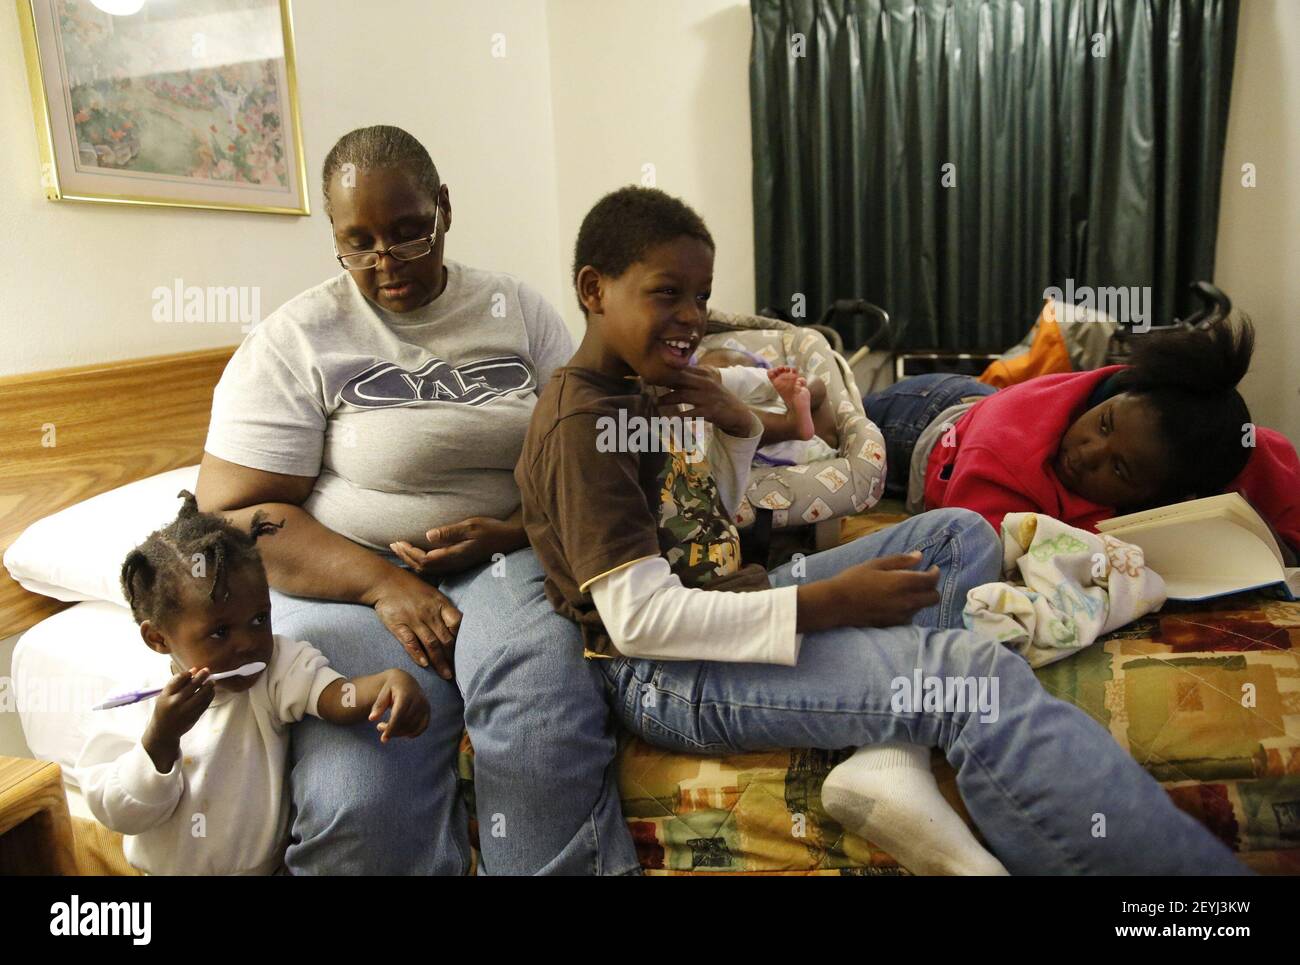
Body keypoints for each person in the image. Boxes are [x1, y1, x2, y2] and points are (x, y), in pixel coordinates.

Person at [515, 185, 1247, 874]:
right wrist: (828, 606)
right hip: (668, 675)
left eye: (701, 296)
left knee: (958, 534)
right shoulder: (588, 423)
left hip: (732, 597)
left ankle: (885, 756)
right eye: (666, 293)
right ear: (593, 290)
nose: (691, 316)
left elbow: (713, 522)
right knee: (973, 675)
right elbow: (640, 621)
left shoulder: (643, 388)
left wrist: (735, 424)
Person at [195, 125, 638, 875]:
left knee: (542, 724)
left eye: (407, 234)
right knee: (360, 798)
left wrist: (509, 532)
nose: (385, 263)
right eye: (358, 242)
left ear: (445, 208)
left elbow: (583, 455)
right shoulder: (296, 339)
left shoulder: (516, 309)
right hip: (349, 582)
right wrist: (383, 584)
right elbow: (233, 518)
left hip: (510, 557)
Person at [78, 493, 430, 875]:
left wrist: (387, 683)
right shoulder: (130, 703)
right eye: (220, 632)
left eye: (260, 619)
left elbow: (330, 696)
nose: (247, 643)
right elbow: (119, 813)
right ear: (159, 639)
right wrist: (161, 739)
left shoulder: (274, 668)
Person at [863, 318, 1300, 551]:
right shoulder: (1003, 460)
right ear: (1112, 395)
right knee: (838, 433)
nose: (1088, 452)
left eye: (1120, 468)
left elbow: (1266, 457)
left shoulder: (1211, 440)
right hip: (921, 421)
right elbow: (980, 552)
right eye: (1104, 423)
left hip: (982, 402)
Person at [695, 348, 839, 466]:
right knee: (733, 422)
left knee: (815, 384)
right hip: (760, 451)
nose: (729, 373)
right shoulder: (708, 420)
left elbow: (753, 382)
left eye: (733, 368)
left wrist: (798, 388)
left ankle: (798, 408)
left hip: (818, 441)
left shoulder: (771, 389)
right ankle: (793, 424)